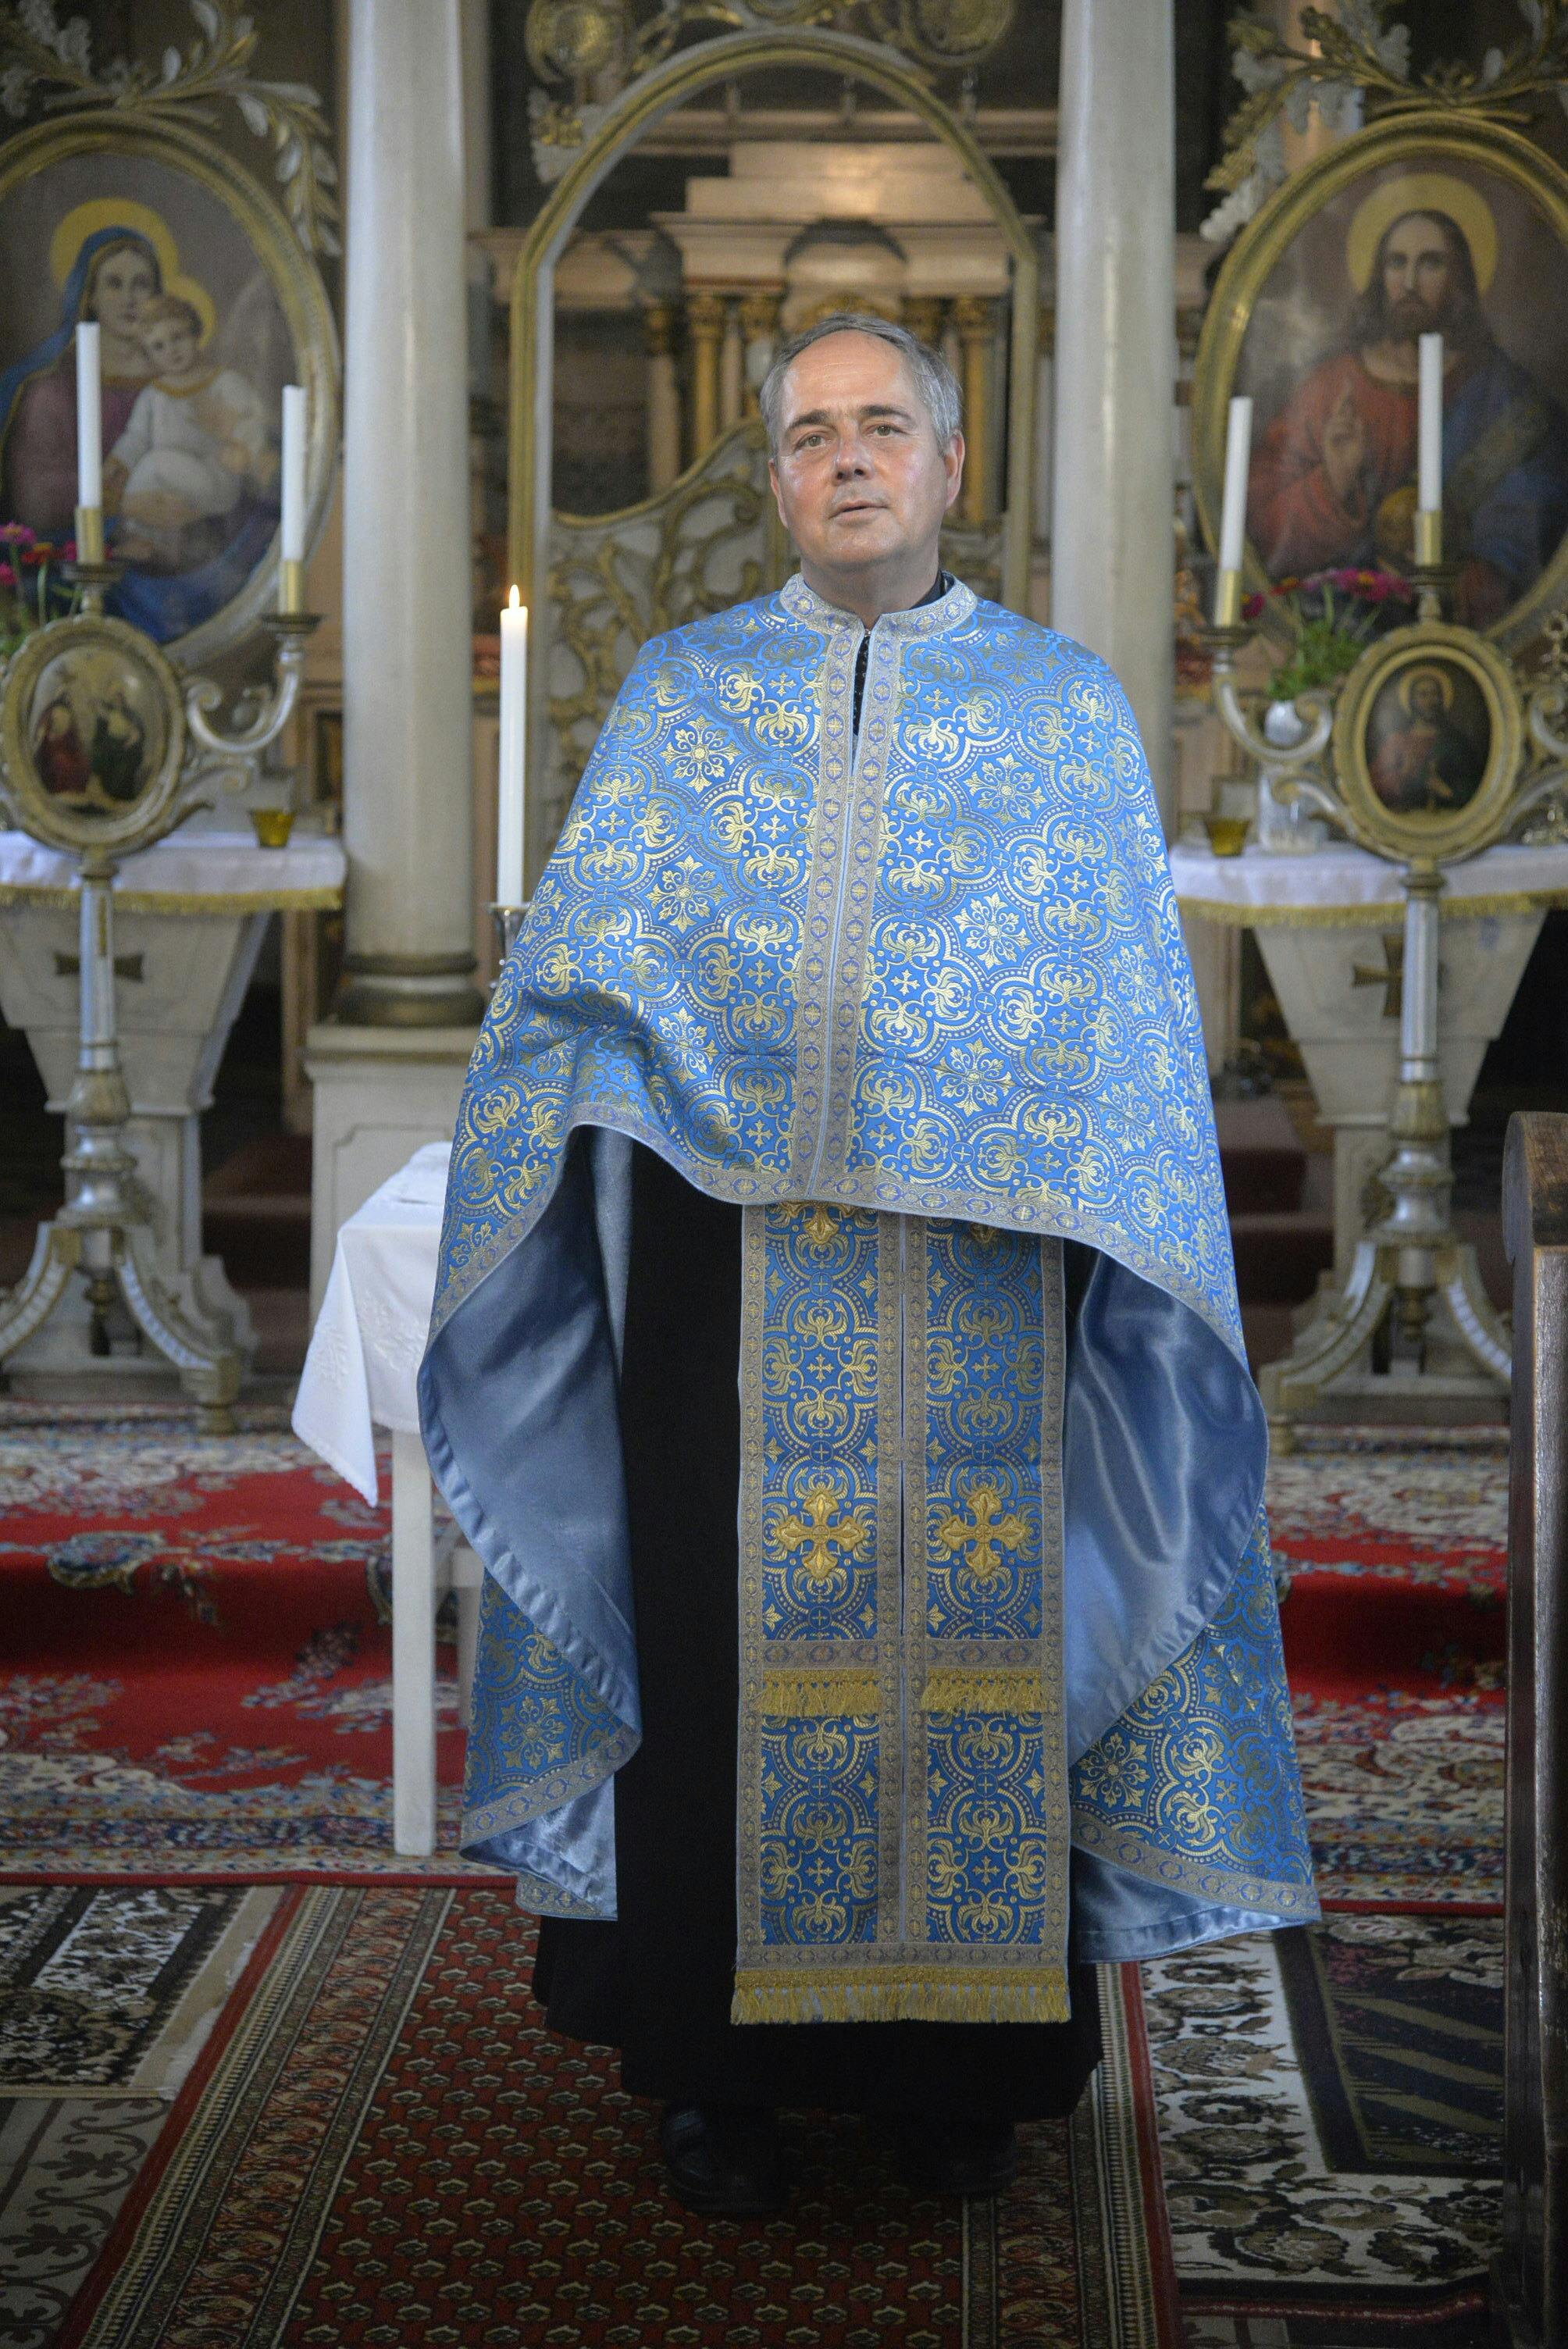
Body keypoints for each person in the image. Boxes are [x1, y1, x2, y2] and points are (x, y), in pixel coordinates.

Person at [421, 314, 1317, 2216]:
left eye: (881, 427)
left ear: (949, 463)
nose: (845, 458)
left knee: (966, 1654)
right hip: (723, 1277)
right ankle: (709, 2072)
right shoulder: (677, 696)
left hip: (982, 1277)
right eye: (810, 432)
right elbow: (578, 984)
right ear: (771, 478)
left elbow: (1121, 1034)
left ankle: (954, 2078)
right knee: (717, 1648)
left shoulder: (1061, 708)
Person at [1249, 202, 1568, 628]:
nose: (1410, 282)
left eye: (1431, 263)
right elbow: (1266, 524)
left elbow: (1536, 511)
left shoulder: (1501, 391)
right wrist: (1333, 481)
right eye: (1396, 263)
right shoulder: (1330, 389)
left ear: (1459, 277)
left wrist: (1477, 570)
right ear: (1380, 276)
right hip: (1347, 628)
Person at [104, 294, 275, 571]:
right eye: (158, 346)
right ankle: (151, 541)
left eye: (177, 337)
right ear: (149, 354)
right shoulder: (153, 395)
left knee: (154, 464)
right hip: (174, 484)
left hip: (216, 482)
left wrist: (245, 450)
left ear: (195, 334)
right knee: (154, 474)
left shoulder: (224, 382)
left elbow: (253, 424)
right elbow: (135, 438)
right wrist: (117, 462)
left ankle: (139, 535)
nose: (170, 350)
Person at [1369, 665, 1483, 811]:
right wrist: (1402, 775)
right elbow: (1374, 784)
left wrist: (1448, 791)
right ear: (1412, 700)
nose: (1430, 701)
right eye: (1423, 694)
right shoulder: (1397, 742)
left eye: (1435, 694)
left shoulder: (1456, 741)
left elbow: (1475, 783)